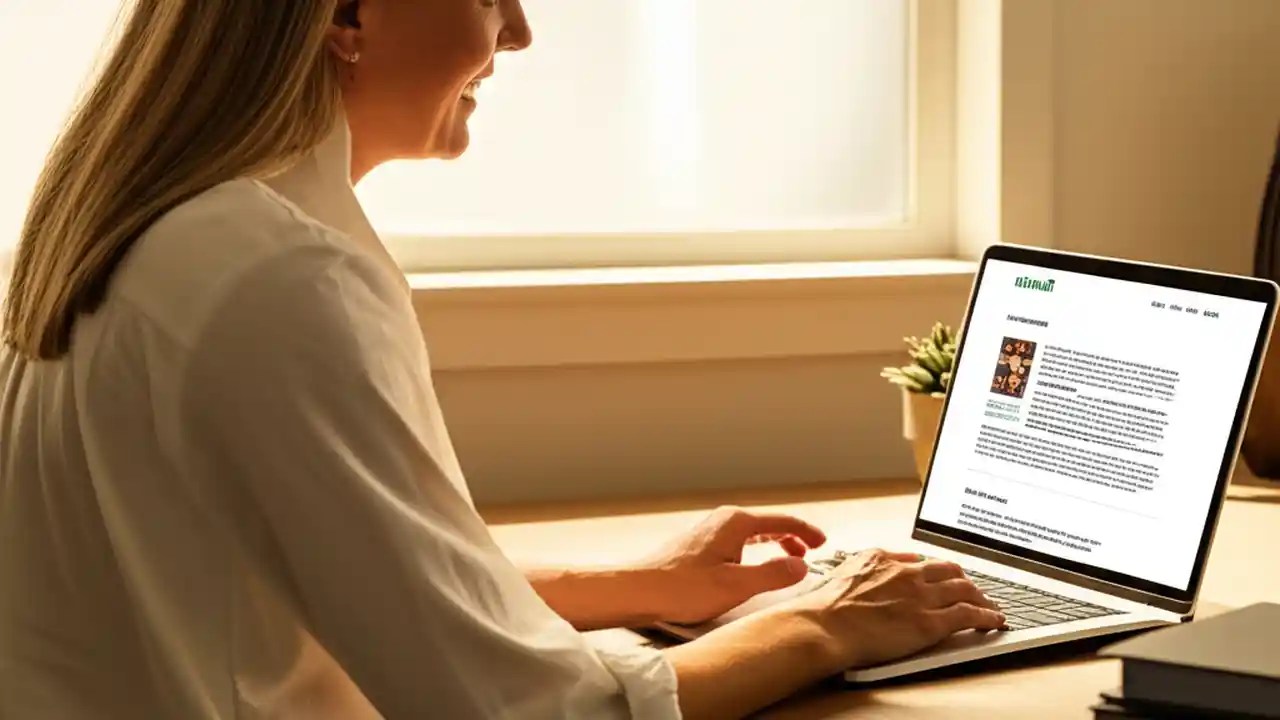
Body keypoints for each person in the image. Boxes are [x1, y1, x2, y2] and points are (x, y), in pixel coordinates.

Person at [0, 1, 1004, 718]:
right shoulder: (276, 279)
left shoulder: (154, 235)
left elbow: (327, 574)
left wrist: (632, 583)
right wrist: (821, 622)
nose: (516, 31)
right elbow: (519, 710)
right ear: (346, 16)